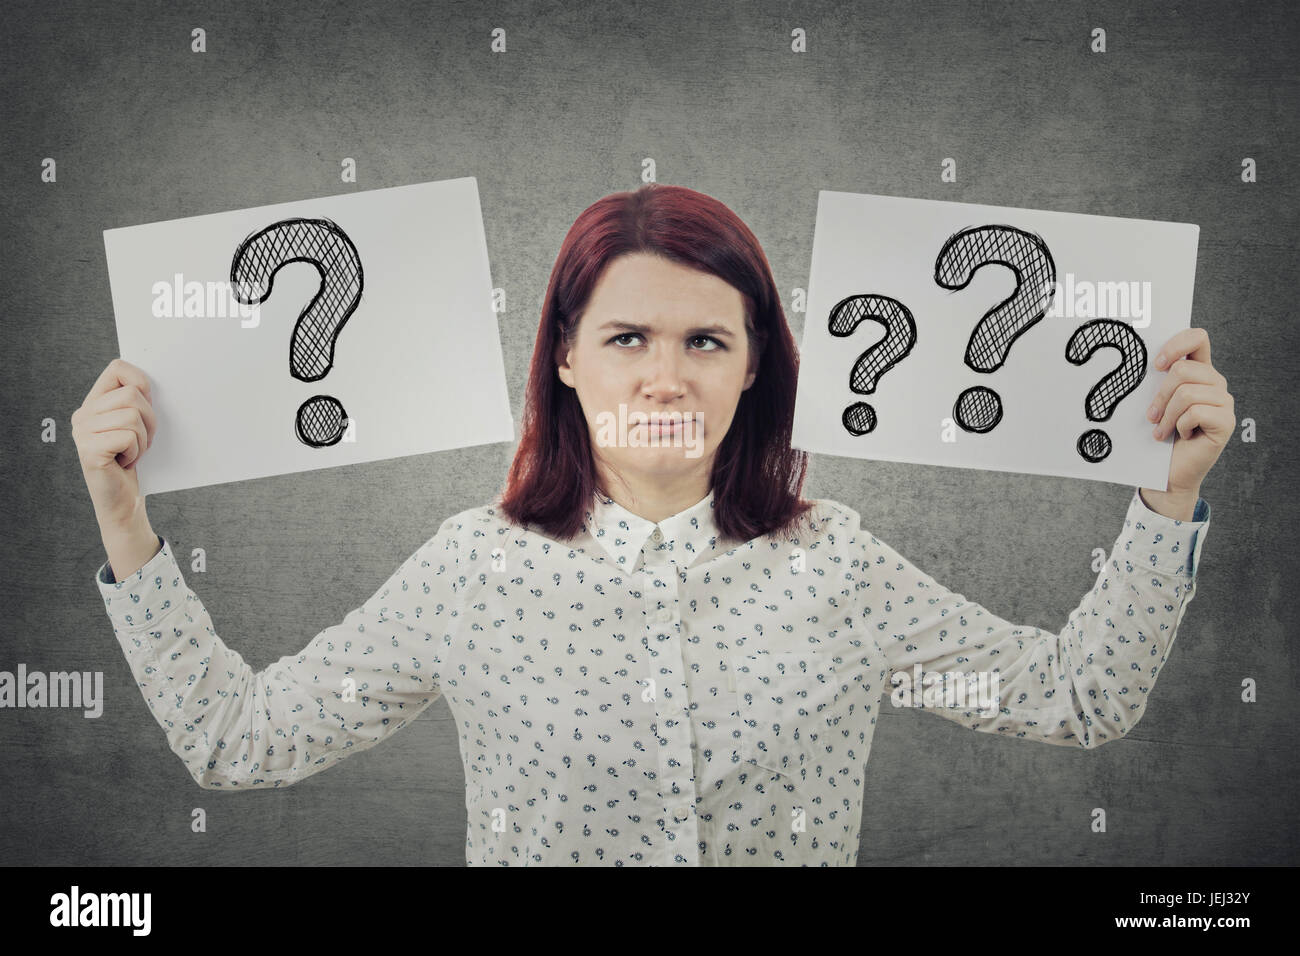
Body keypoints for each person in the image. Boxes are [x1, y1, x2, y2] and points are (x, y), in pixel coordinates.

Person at [74, 183, 1233, 866]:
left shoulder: (839, 570)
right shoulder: (470, 572)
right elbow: (240, 740)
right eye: (627, 337)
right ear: (567, 357)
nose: (664, 378)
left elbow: (1077, 698)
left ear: (755, 367)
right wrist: (123, 510)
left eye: (705, 341)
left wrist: (1165, 489)